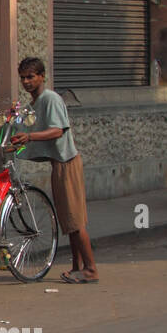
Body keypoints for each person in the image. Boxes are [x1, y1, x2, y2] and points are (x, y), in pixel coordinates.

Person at [11, 57, 98, 283]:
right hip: (58, 165)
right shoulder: (34, 104)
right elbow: (24, 124)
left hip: (67, 163)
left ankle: (91, 269)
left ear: (42, 76)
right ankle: (77, 266)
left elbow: (57, 130)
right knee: (68, 220)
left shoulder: (51, 98)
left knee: (75, 220)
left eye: (31, 76)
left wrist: (29, 137)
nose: (26, 82)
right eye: (23, 78)